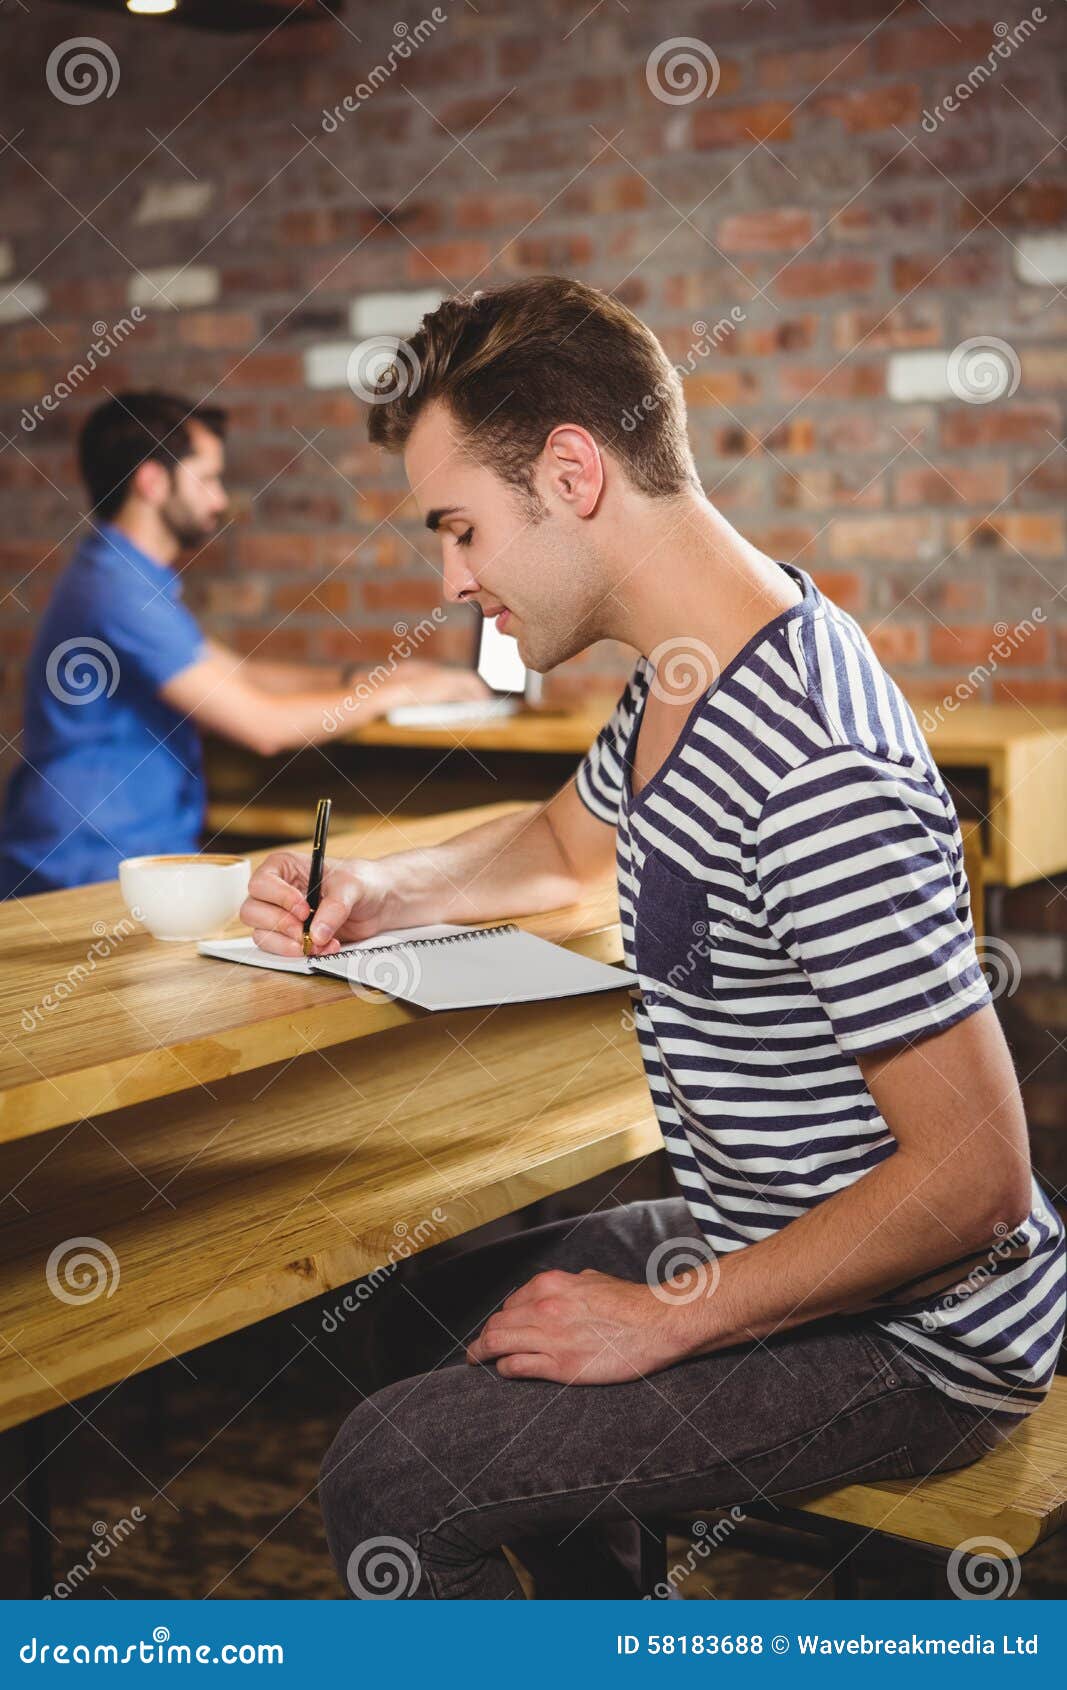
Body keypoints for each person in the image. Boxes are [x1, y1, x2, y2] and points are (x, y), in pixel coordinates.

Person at [239, 276, 1065, 1600]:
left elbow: (970, 1181)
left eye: (458, 528)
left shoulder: (809, 761)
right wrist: (384, 893)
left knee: (394, 1470)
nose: (450, 577)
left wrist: (661, 1317)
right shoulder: (685, 671)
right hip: (773, 1224)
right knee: (432, 1310)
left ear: (569, 472)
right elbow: (567, 840)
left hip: (921, 1336)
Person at [0, 391, 486, 896]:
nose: (218, 499)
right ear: (151, 481)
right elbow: (263, 726)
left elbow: (231, 672)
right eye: (207, 479)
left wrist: (362, 679)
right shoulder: (117, 591)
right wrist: (399, 695)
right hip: (87, 866)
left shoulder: (123, 575)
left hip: (113, 855)